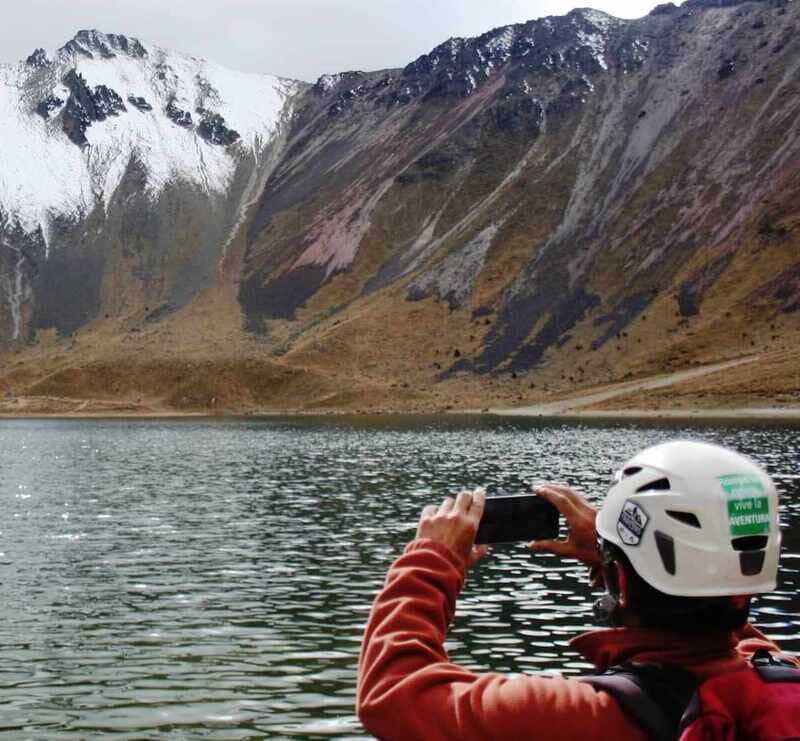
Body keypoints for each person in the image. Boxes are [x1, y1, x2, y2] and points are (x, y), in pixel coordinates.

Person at [357, 440, 800, 740]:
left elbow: (392, 694)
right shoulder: (784, 680)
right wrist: (614, 560)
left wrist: (430, 559)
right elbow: (733, 633)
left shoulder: (578, 716)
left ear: (621, 581)